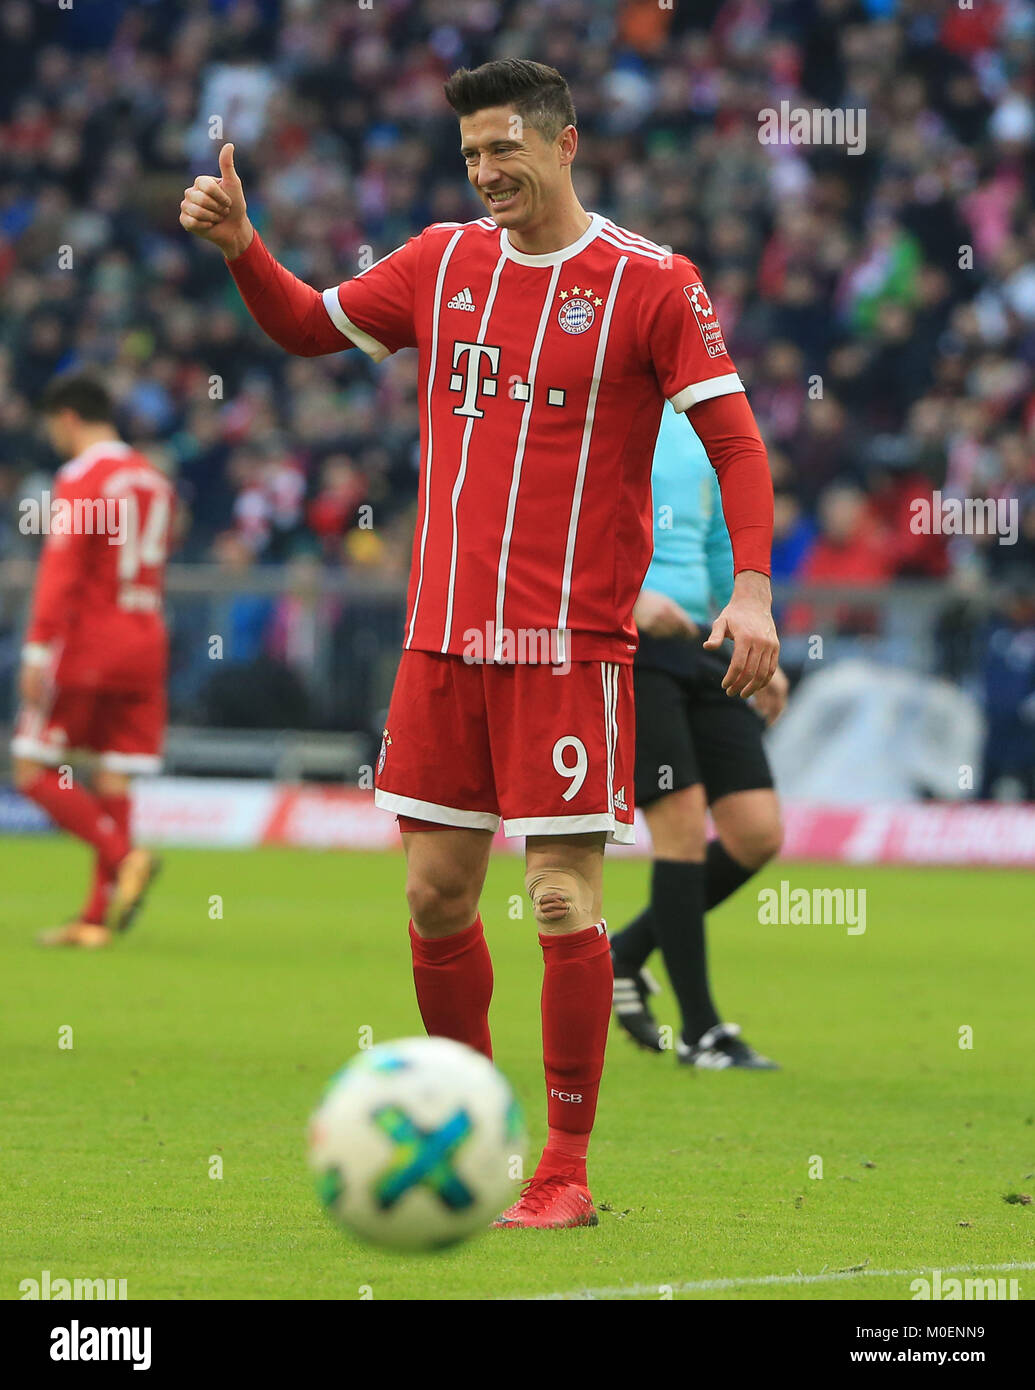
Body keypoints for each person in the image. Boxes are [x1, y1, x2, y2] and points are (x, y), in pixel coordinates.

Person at [179, 59, 778, 1228]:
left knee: (558, 898)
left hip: (568, 649)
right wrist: (246, 247)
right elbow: (308, 325)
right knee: (437, 893)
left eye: (505, 148)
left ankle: (564, 1165)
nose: (487, 172)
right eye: (470, 156)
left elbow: (740, 444)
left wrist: (750, 590)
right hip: (443, 642)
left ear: (562, 143)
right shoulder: (440, 263)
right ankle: (473, 1124)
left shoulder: (654, 284)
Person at [609, 406, 787, 1068]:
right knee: (679, 822)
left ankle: (623, 953)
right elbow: (552, 526)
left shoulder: (704, 416)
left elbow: (717, 539)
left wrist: (749, 627)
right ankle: (701, 1031)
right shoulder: (593, 397)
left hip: (704, 639)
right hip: (627, 643)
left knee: (756, 832)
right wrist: (621, 601)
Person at [13, 374, 170, 946]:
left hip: (90, 642)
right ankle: (95, 919)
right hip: (146, 637)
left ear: (68, 418)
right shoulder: (154, 478)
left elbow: (61, 571)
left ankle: (124, 856)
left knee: (31, 768)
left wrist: (36, 648)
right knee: (113, 772)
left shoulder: (82, 478)